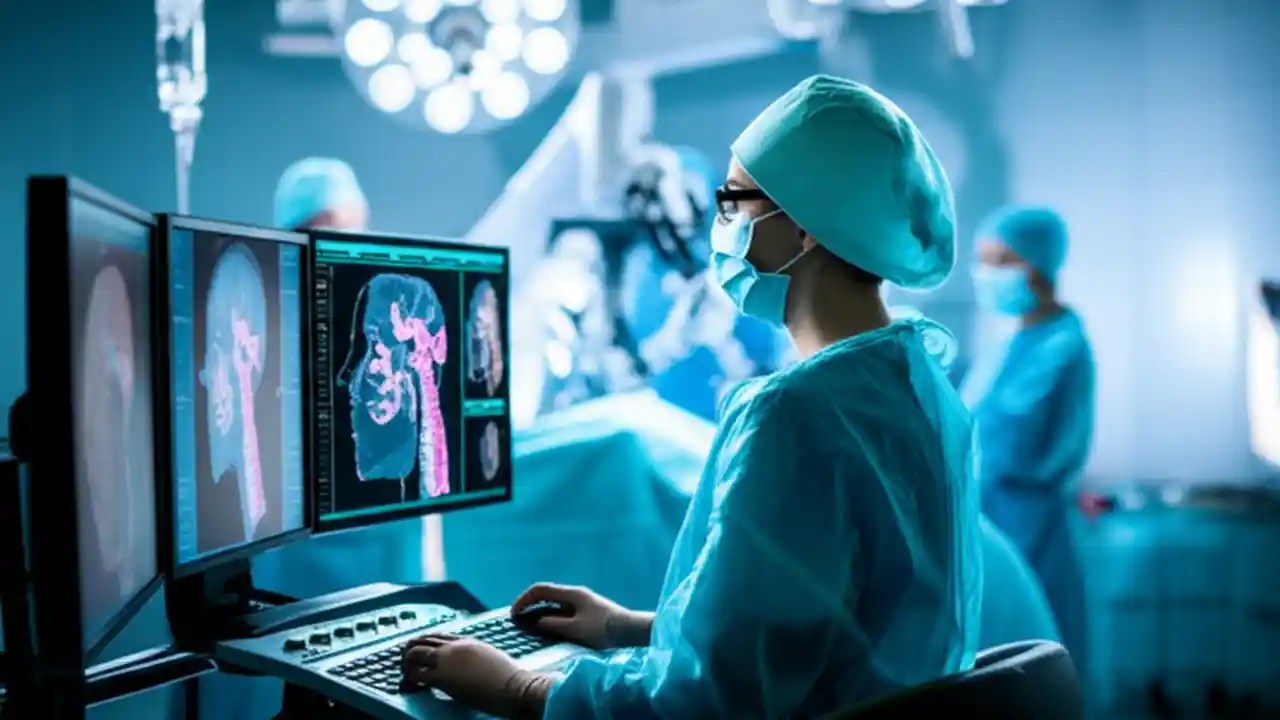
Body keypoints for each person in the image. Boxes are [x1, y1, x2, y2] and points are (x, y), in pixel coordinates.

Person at [401, 75, 983, 719]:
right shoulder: (919, 385)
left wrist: (518, 688)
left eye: (735, 200)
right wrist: (628, 626)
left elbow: (704, 704)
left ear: (805, 229)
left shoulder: (798, 416)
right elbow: (816, 625)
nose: (721, 222)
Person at [253, 158, 426, 600]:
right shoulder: (266, 321)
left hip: (386, 532)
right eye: (320, 232)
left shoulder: (390, 315)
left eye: (348, 230)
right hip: (299, 541)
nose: (338, 246)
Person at [962, 205, 1095, 675]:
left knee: (1035, 668)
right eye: (983, 261)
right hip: (993, 519)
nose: (986, 274)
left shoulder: (1061, 346)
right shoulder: (1010, 343)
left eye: (1001, 261)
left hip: (1029, 526)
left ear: (1038, 265)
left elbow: (1004, 442)